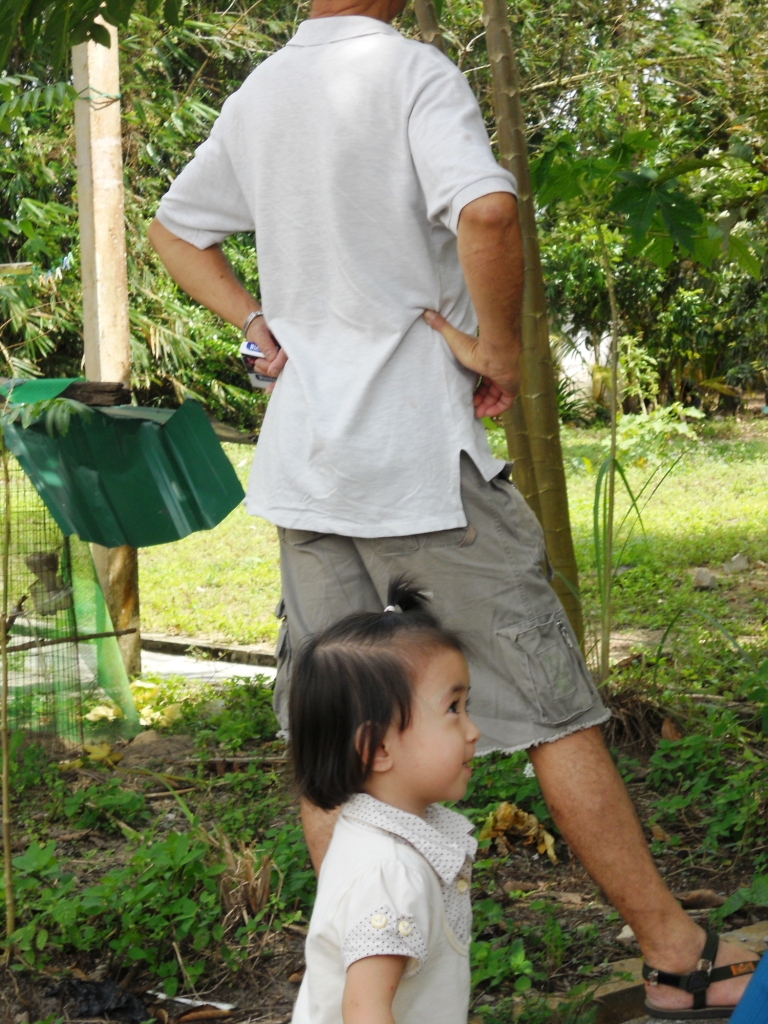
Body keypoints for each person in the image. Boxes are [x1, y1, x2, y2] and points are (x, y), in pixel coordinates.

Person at [147, 0, 759, 1014]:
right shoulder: (413, 73)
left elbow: (175, 232)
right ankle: (673, 955)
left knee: (335, 723)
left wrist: (258, 323)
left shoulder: (263, 93)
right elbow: (487, 211)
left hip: (308, 466)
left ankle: (358, 988)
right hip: (420, 461)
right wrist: (499, 347)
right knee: (552, 706)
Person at [288, 577, 480, 1024]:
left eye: (467, 706)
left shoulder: (376, 839)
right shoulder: (391, 873)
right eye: (453, 709)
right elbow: (365, 1011)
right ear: (377, 749)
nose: (472, 731)